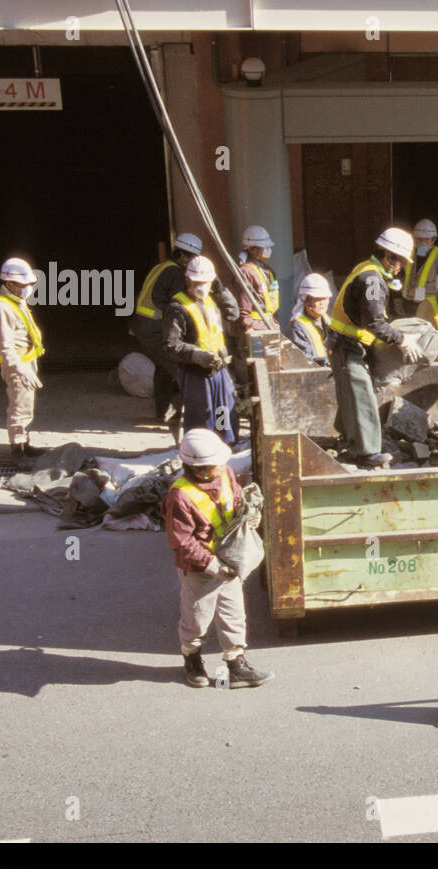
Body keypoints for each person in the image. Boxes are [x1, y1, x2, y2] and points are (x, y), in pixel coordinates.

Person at [163, 428, 273, 689]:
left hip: (228, 559)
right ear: (198, 468)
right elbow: (182, 543)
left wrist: (249, 516)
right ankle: (192, 660)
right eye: (215, 465)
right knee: (197, 616)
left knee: (233, 613)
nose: (222, 467)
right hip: (200, 568)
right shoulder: (179, 496)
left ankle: (236, 665)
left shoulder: (224, 473)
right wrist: (213, 566)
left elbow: (234, 500)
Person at [326, 227, 423, 467]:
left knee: (352, 393)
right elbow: (374, 322)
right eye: (400, 261)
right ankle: (367, 453)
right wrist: (401, 340)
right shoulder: (372, 279)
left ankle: (350, 438)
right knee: (361, 396)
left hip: (347, 344)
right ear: (389, 256)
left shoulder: (366, 269)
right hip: (347, 345)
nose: (401, 266)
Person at [163, 255, 240, 444]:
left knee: (223, 411)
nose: (200, 287)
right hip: (196, 374)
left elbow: (233, 312)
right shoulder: (177, 307)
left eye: (205, 282)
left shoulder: (211, 299)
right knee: (201, 416)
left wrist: (220, 288)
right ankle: (199, 450)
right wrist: (196, 355)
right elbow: (171, 344)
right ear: (187, 280)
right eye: (195, 282)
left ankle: (223, 442)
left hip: (218, 371)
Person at [131, 232, 202, 430]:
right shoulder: (175, 273)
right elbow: (181, 303)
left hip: (144, 325)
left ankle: (163, 412)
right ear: (182, 256)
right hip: (153, 326)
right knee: (179, 366)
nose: (191, 264)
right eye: (191, 259)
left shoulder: (161, 266)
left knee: (163, 367)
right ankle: (196, 414)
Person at [0, 257, 47, 463]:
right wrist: (20, 368)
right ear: (9, 284)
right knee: (19, 407)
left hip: (26, 362)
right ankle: (18, 450)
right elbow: (5, 346)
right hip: (17, 365)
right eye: (24, 284)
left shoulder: (15, 301)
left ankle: (24, 443)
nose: (28, 288)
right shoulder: (1, 308)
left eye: (30, 284)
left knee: (26, 404)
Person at [399, 218, 438, 316]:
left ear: (433, 239)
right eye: (419, 239)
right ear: (414, 238)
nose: (423, 242)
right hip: (407, 304)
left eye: (427, 239)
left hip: (428, 308)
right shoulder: (407, 253)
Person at [237, 224, 280, 334]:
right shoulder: (246, 272)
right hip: (256, 328)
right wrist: (248, 328)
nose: (268, 250)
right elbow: (244, 304)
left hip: (270, 325)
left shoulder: (266, 270)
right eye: (265, 248)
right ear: (252, 249)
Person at [288, 273, 331, 366]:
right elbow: (305, 359)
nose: (322, 303)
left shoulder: (328, 322)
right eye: (318, 299)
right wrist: (327, 362)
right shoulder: (298, 328)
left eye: (325, 298)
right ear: (306, 301)